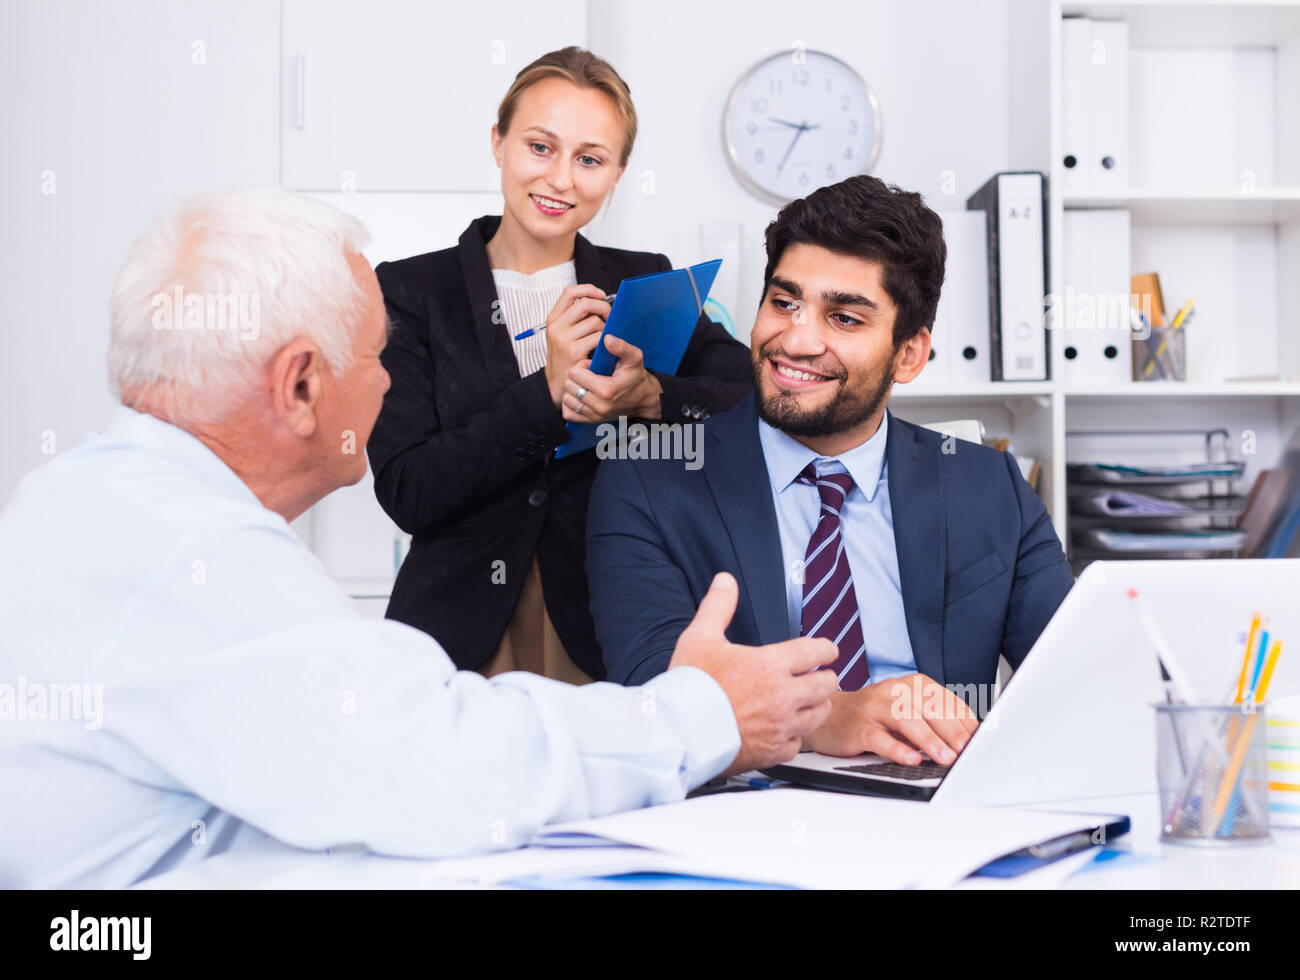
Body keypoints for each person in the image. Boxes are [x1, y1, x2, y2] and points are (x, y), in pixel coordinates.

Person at [0, 190, 837, 889]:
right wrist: (704, 712)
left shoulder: (78, 497)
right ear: (299, 385)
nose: (393, 380)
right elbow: (439, 764)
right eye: (377, 357)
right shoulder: (191, 554)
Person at [587, 175, 1075, 767]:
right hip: (743, 817)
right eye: (784, 302)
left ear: (910, 354)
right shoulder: (648, 479)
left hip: (936, 812)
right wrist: (825, 718)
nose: (795, 340)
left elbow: (1078, 683)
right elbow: (649, 700)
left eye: (844, 318)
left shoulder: (990, 486)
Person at [367, 47, 752, 684]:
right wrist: (544, 396)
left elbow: (749, 392)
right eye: (540, 147)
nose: (561, 179)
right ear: (498, 142)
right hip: (457, 633)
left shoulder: (643, 279)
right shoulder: (412, 292)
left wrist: (649, 397)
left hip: (613, 621)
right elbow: (410, 489)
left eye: (590, 159)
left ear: (619, 172)